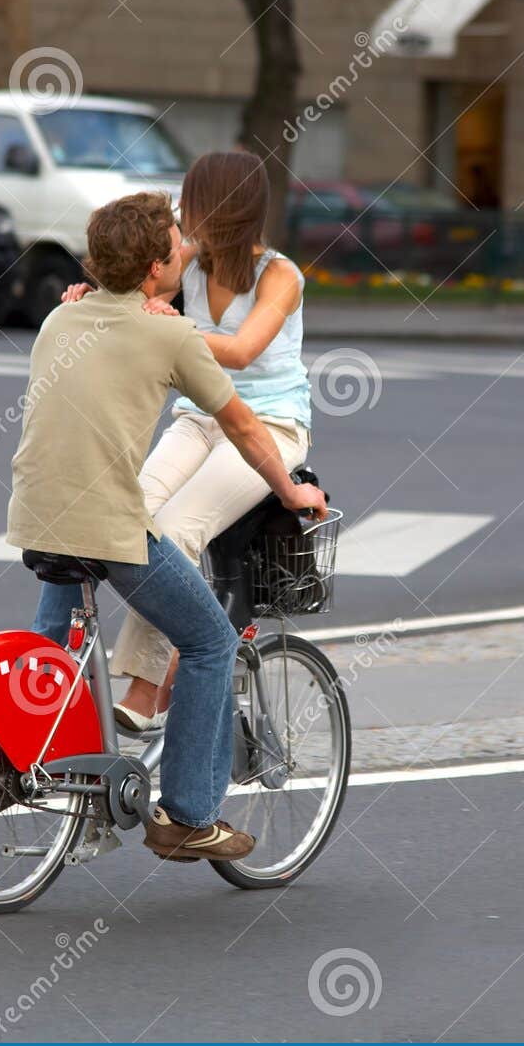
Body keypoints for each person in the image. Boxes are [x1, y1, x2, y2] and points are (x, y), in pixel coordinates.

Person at [7, 190, 326, 863]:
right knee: (210, 643)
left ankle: (25, 742)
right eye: (177, 242)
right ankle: (188, 816)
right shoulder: (168, 334)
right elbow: (244, 427)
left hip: (34, 517)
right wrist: (291, 489)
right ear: (156, 268)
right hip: (109, 526)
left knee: (52, 647)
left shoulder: (60, 318)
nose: (187, 246)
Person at [61, 151, 312, 736]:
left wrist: (174, 326)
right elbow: (132, 289)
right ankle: (72, 667)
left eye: (191, 201)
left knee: (176, 532)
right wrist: (90, 298)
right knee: (129, 516)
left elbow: (243, 351)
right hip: (201, 417)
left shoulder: (280, 275)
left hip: (269, 426)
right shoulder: (192, 260)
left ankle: (147, 686)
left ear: (221, 207)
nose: (182, 213)